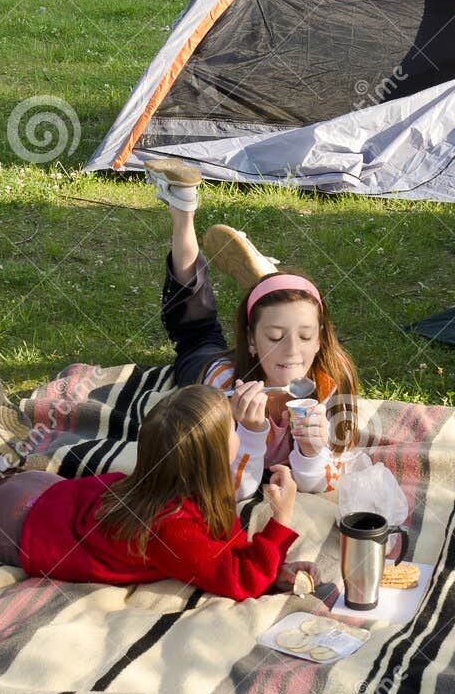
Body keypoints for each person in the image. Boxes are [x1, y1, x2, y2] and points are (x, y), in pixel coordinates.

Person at [0, 372, 306, 601]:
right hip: (16, 527)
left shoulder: (165, 490)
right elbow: (235, 578)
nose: (239, 436)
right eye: (233, 431)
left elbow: (221, 551)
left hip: (40, 489)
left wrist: (274, 560)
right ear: (209, 459)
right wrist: (281, 520)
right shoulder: (172, 526)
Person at [143, 157, 360, 499]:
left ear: (321, 340)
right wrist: (251, 431)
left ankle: (269, 287)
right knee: (196, 331)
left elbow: (327, 480)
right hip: (212, 366)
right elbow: (228, 489)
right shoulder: (222, 385)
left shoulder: (334, 380)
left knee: (219, 323)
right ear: (252, 340)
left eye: (305, 336)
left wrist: (311, 451)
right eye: (275, 337)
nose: (291, 351)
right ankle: (182, 208)